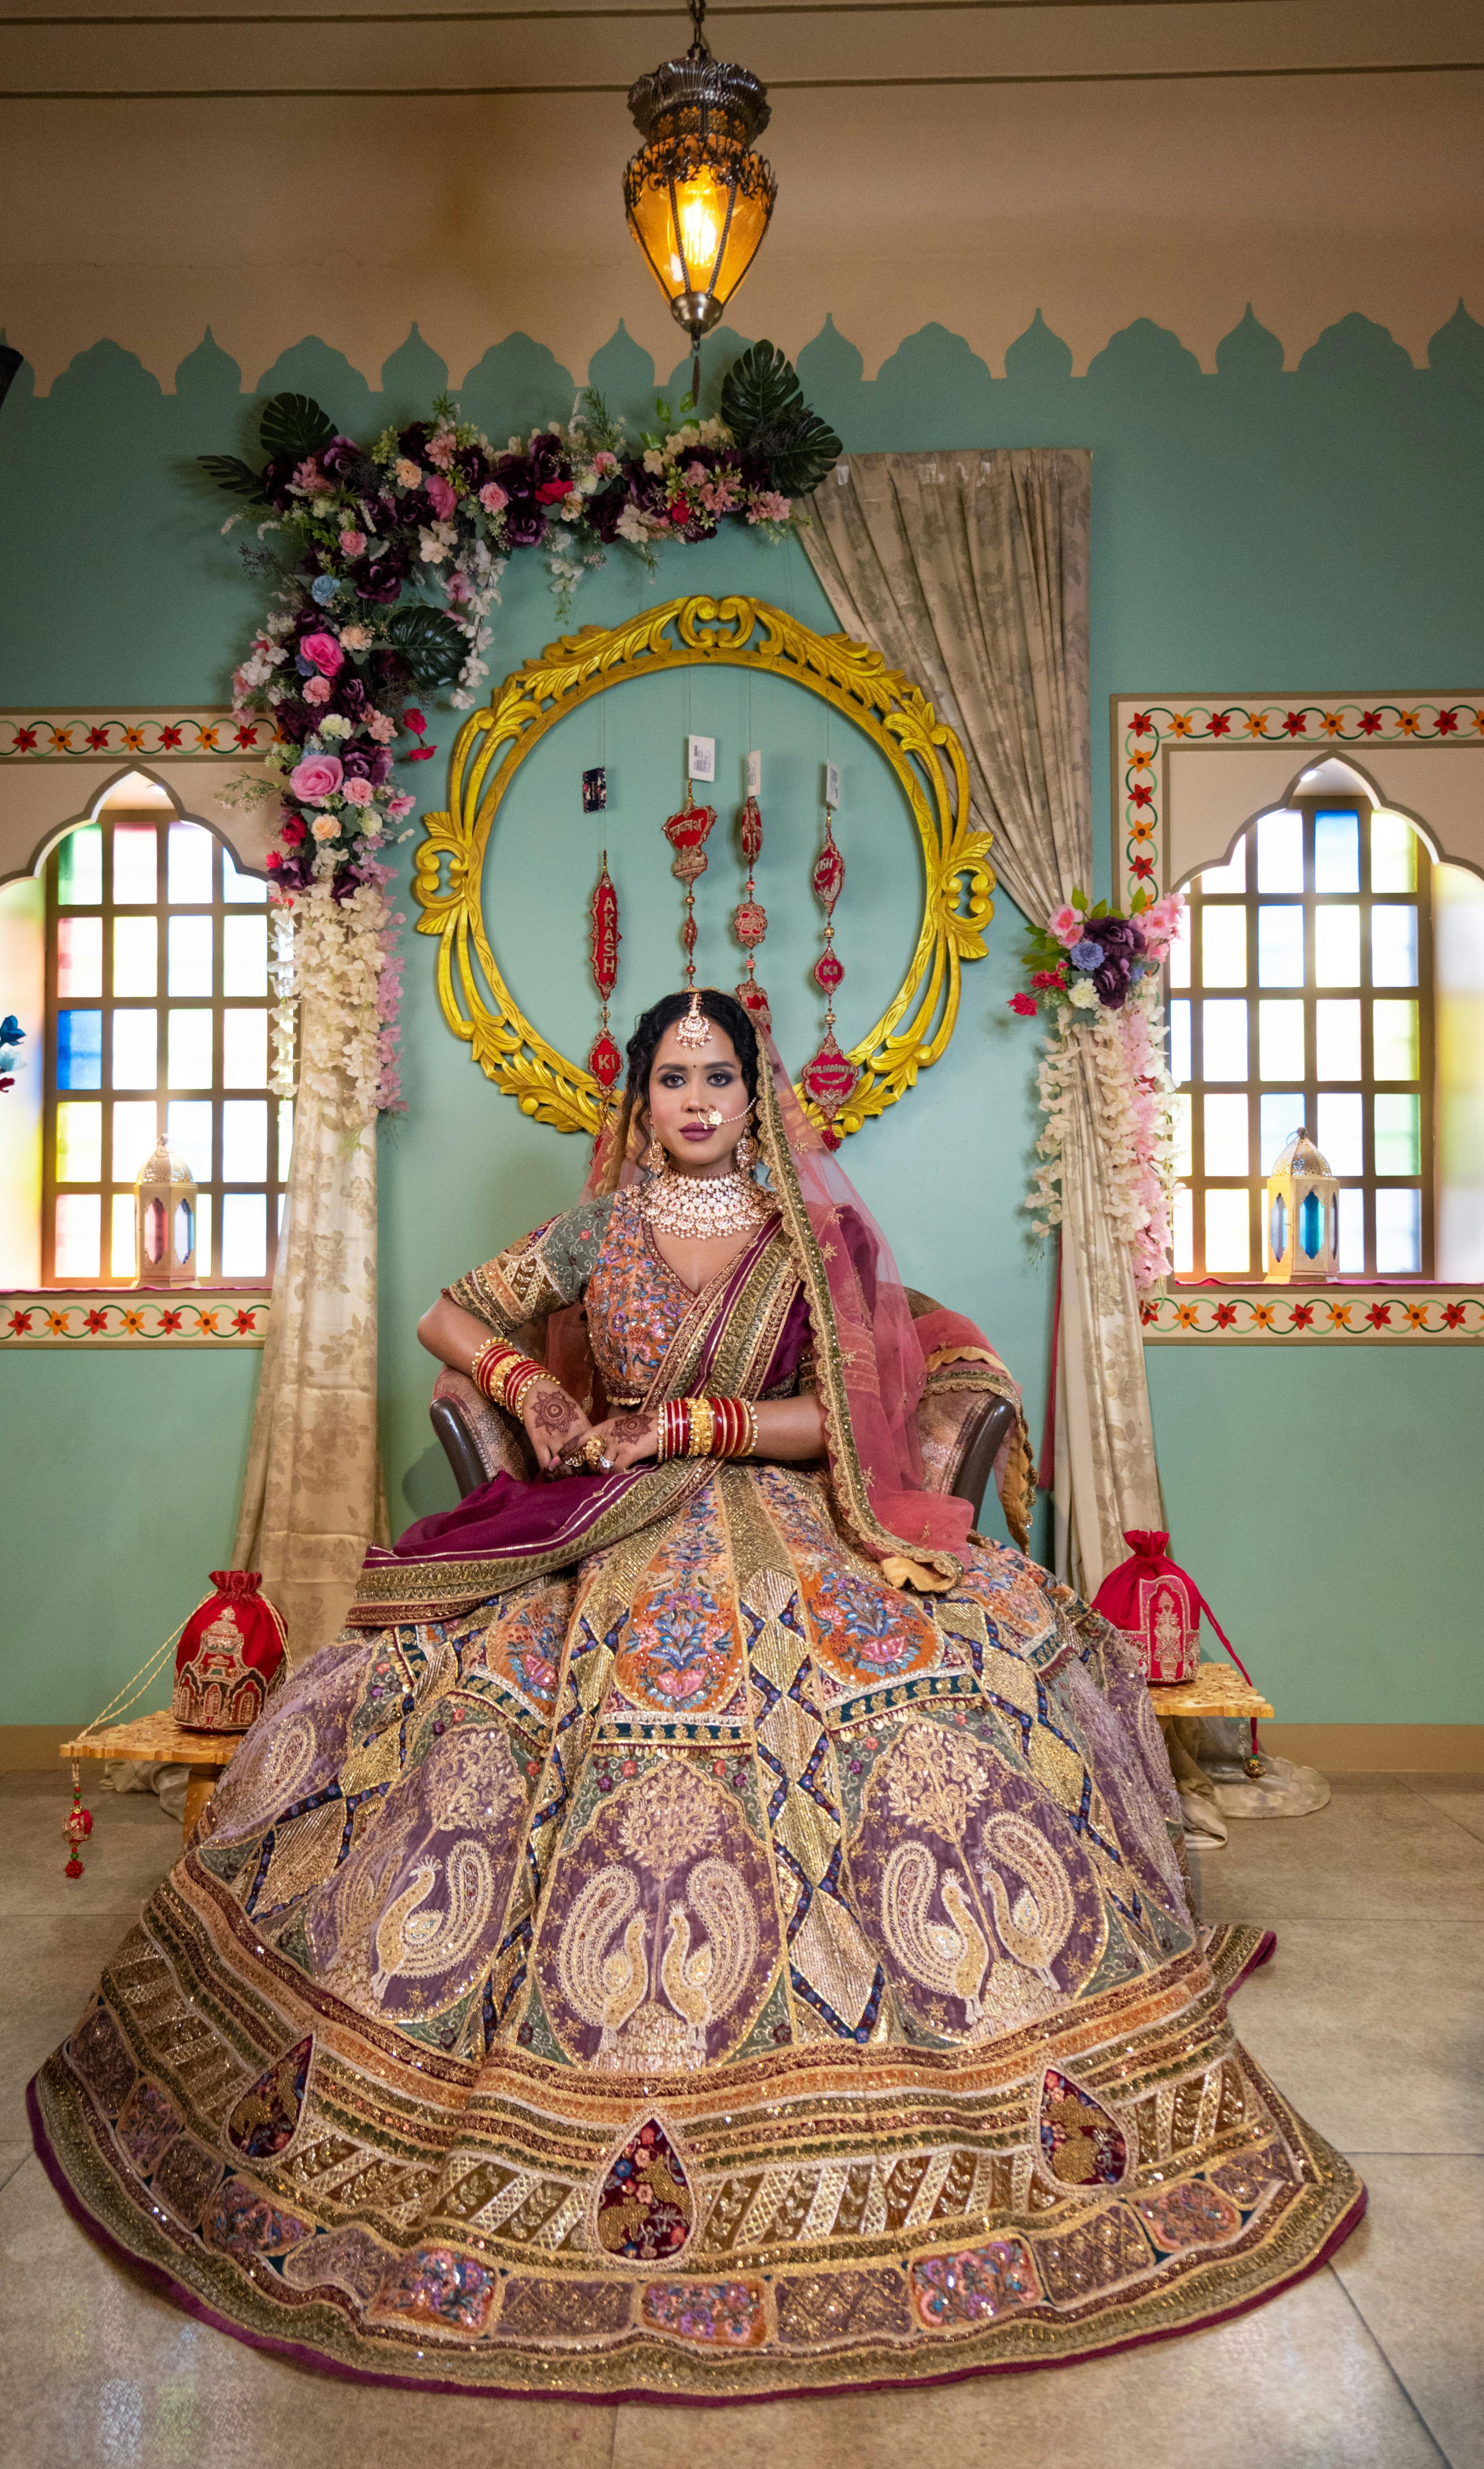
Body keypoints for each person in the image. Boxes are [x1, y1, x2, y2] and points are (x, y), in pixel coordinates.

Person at [31, 989, 1362, 2401]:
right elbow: (447, 1310)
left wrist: (688, 1419)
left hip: (783, 1512)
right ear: (642, 1098)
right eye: (671, 1078)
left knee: (928, 1705)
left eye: (718, 1075)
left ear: (753, 1085)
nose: (696, 1101)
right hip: (604, 1519)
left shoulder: (811, 1233)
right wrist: (530, 1393)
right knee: (468, 1714)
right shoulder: (597, 1228)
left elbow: (844, 1416)